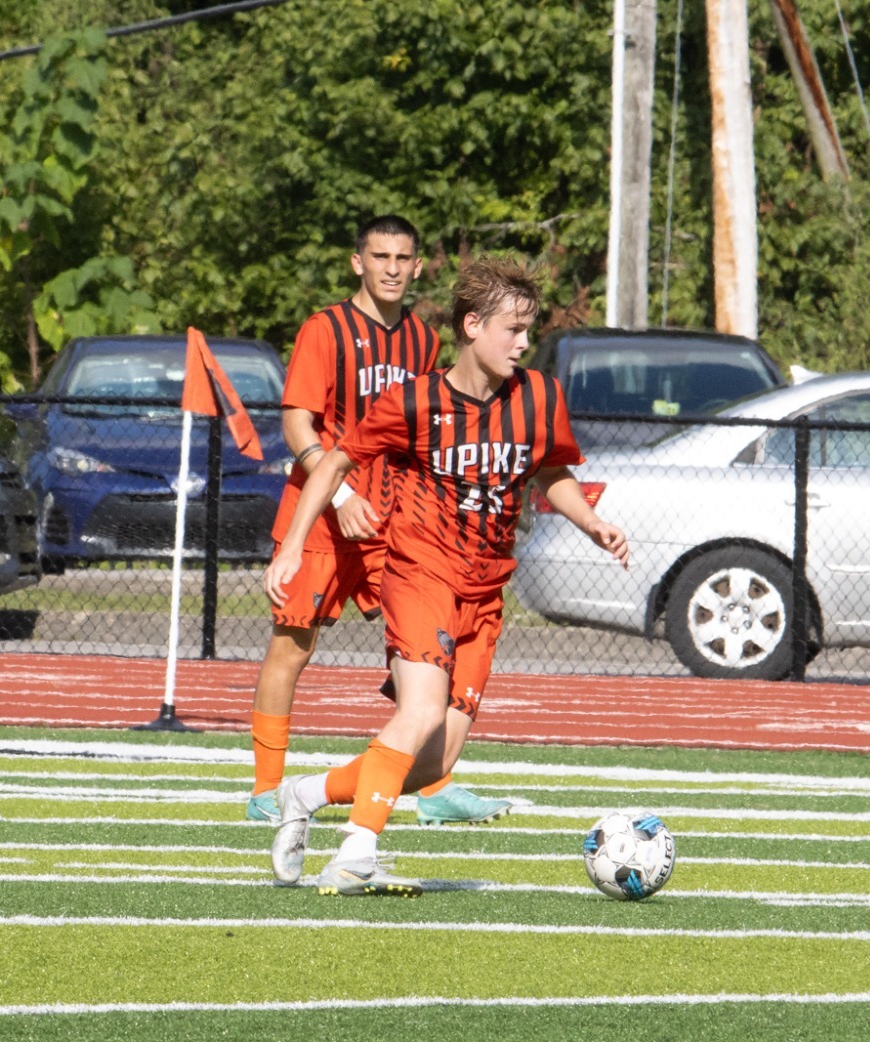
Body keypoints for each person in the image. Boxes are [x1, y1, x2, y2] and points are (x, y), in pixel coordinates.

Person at [262, 258, 628, 895]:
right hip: (420, 573)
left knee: (436, 758)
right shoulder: (413, 399)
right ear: (471, 325)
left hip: (487, 590)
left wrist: (591, 522)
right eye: (512, 329)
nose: (522, 342)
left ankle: (305, 793)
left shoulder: (539, 396)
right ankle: (356, 850)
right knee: (422, 711)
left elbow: (551, 473)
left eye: (528, 330)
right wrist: (292, 545)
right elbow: (333, 462)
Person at [245, 215, 512, 828]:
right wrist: (338, 497)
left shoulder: (421, 339)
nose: (392, 267)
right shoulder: (325, 329)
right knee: (294, 643)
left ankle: (432, 782)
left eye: (403, 257)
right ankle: (266, 789)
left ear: (418, 267)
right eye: (379, 255)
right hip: (322, 511)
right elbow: (297, 427)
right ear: (357, 261)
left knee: (422, 646)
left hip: (392, 515)